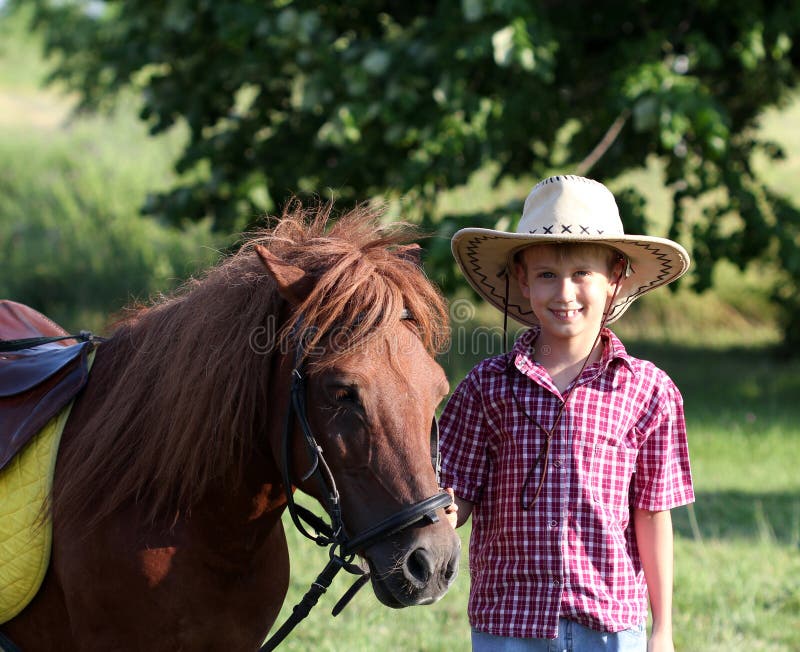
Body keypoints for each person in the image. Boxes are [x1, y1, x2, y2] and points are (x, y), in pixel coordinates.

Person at [440, 175, 694, 652]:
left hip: (611, 624)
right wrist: (429, 523)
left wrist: (662, 630)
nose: (565, 293)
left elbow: (652, 515)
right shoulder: (485, 387)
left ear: (615, 276)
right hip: (508, 622)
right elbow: (458, 497)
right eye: (547, 275)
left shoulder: (648, 391)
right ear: (522, 278)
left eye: (582, 273)